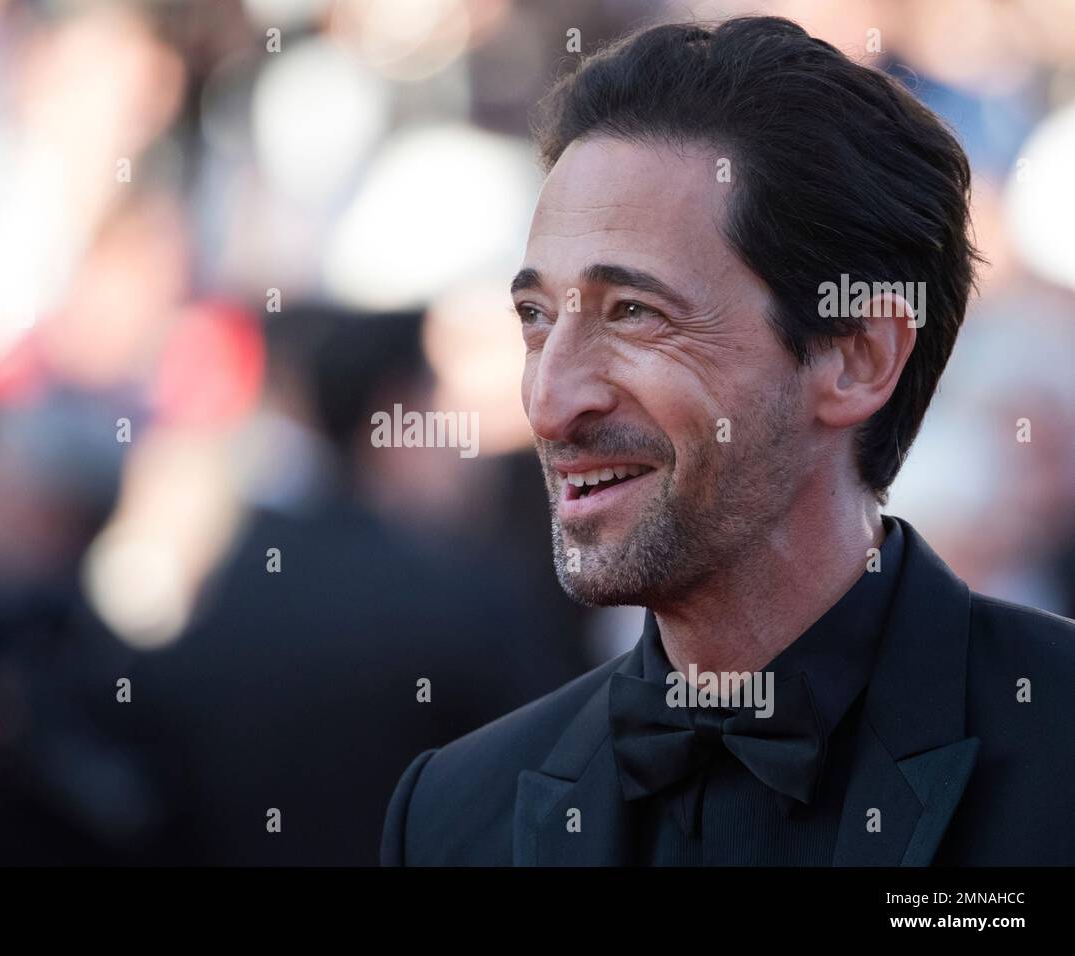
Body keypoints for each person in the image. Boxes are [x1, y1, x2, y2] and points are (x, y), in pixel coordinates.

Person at [381, 16, 1075, 866]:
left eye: (633, 314)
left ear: (857, 358)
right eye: (535, 319)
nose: (551, 400)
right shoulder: (455, 813)